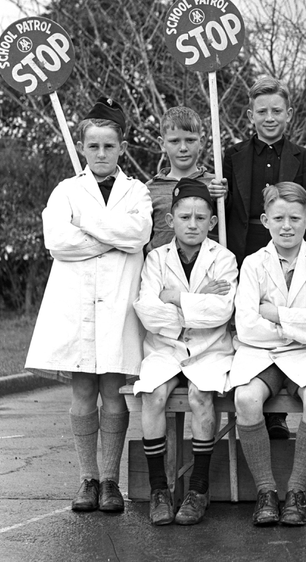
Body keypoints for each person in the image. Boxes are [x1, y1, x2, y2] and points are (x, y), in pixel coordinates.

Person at [24, 98, 152, 513]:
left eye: (109, 146)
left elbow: (138, 234)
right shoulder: (66, 190)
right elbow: (57, 241)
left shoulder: (137, 191)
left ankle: (111, 481)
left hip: (117, 303)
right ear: (82, 147)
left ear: (122, 147)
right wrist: (111, 237)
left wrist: (87, 228)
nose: (101, 154)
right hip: (75, 304)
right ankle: (87, 478)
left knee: (113, 393)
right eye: (93, 146)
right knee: (82, 391)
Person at [227, 182, 306, 527]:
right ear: (265, 220)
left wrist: (276, 314)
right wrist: (297, 326)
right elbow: (246, 325)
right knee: (246, 399)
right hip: (260, 353)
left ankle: (295, 492)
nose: (287, 226)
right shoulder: (252, 264)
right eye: (279, 218)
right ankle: (265, 491)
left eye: (295, 218)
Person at [220, 77, 306, 439]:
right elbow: (227, 207)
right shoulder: (231, 156)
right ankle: (247, 401)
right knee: (245, 323)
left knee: (283, 318)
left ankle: (277, 418)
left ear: (289, 114)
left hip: (288, 245)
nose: (269, 118)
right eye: (261, 111)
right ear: (250, 115)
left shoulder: (305, 158)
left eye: (276, 111)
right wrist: (218, 189)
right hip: (246, 250)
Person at [132, 178, 238, 526]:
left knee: (200, 396)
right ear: (170, 220)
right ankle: (159, 490)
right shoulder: (155, 259)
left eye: (200, 217)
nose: (192, 224)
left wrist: (176, 298)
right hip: (166, 345)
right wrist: (196, 302)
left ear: (213, 222)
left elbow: (221, 311)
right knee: (152, 394)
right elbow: (146, 310)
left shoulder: (223, 258)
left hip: (210, 348)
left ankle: (198, 489)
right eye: (184, 217)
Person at [144, 106, 229, 252]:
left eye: (190, 140)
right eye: (174, 141)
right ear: (162, 143)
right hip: (160, 271)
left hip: (207, 270)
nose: (183, 148)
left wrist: (227, 199)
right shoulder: (148, 190)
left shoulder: (217, 184)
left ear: (201, 141)